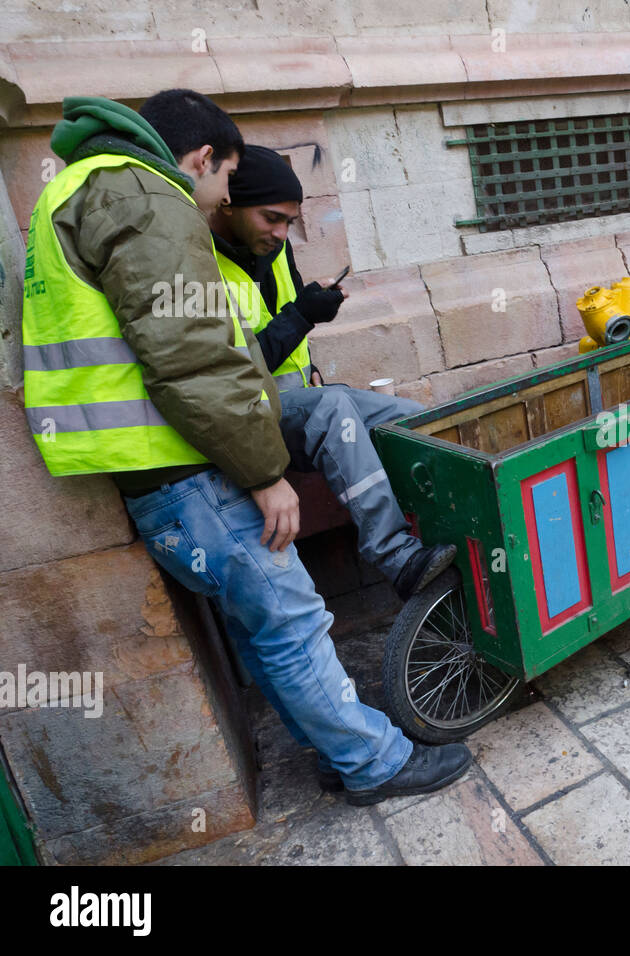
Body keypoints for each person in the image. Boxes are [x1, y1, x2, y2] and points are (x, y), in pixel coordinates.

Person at [21, 90, 470, 806]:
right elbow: (191, 354)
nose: (218, 199)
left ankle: (339, 748)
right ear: (201, 159)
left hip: (156, 468)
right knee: (292, 622)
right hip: (182, 464)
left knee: (267, 629)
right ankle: (374, 762)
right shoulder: (142, 192)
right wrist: (265, 474)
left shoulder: (76, 187)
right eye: (225, 180)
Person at [208, 144, 454, 600]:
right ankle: (395, 555)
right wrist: (304, 314)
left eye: (289, 221)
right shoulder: (200, 266)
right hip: (248, 414)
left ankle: (451, 529)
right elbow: (233, 371)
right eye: (270, 218)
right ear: (229, 204)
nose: (282, 233)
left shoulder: (275, 251)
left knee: (411, 418)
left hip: (297, 397)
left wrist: (312, 335)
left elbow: (291, 326)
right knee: (332, 407)